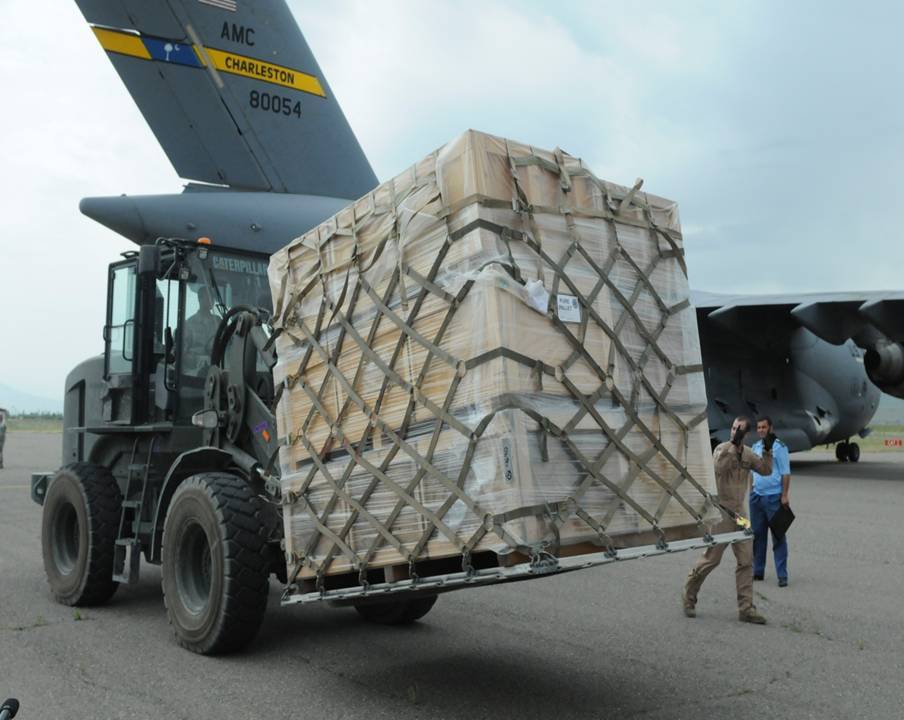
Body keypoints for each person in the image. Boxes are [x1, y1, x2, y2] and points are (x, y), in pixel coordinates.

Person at [682, 416, 774, 624]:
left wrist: (768, 450)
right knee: (711, 559)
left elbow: (766, 470)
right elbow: (719, 468)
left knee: (746, 560)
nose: (734, 432)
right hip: (721, 513)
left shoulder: (749, 454)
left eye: (739, 430)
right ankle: (689, 595)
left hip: (740, 515)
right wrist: (734, 446)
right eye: (733, 428)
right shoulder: (722, 449)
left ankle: (746, 609)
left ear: (746, 433)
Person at [750, 416, 791, 587]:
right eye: (759, 427)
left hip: (774, 496)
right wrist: (750, 490)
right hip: (757, 497)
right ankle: (758, 571)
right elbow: (752, 470)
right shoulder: (755, 447)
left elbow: (785, 473)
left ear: (770, 428)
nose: (761, 430)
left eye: (764, 427)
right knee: (758, 536)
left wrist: (785, 495)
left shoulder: (779, 447)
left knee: (778, 536)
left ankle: (782, 575)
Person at [182, 287, 220, 375]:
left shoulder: (218, 322)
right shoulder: (189, 324)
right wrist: (198, 360)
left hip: (217, 369)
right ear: (200, 299)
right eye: (208, 297)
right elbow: (182, 353)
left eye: (213, 297)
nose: (211, 300)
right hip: (194, 373)